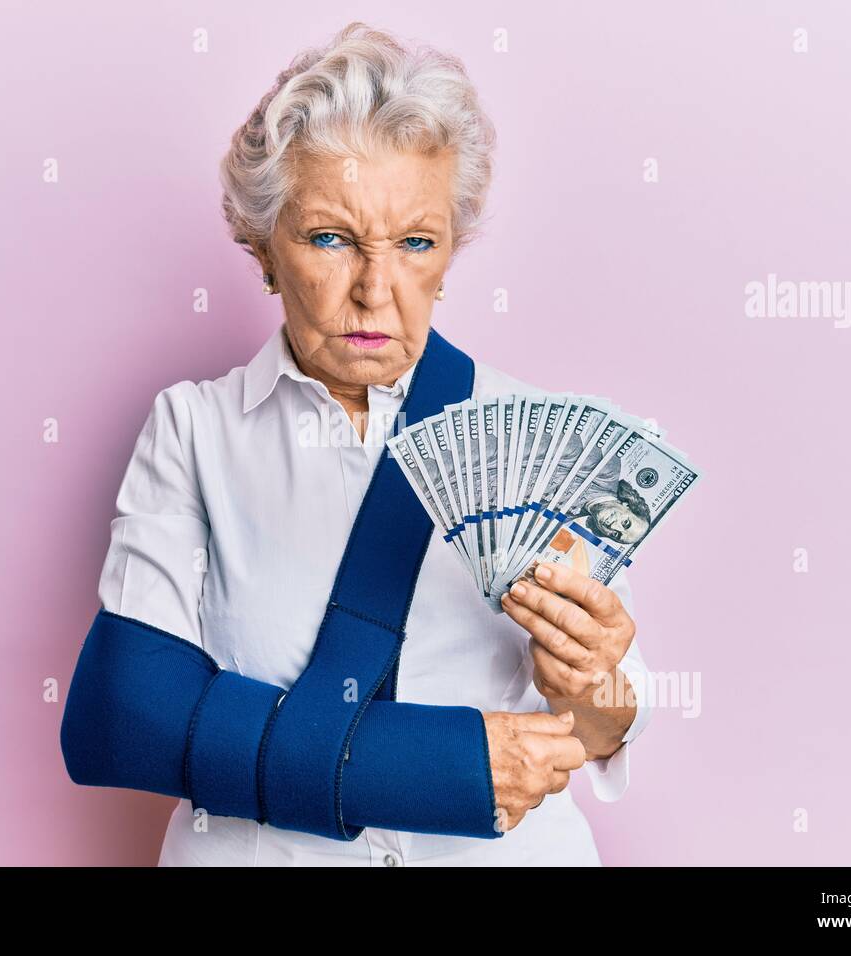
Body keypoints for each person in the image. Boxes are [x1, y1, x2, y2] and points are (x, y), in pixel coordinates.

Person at [62, 21, 653, 867]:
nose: (376, 289)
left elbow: (599, 731)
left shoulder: (536, 438)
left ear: (448, 255)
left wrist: (589, 682)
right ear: (263, 249)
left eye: (415, 243)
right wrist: (432, 769)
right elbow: (125, 717)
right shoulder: (193, 431)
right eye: (330, 239)